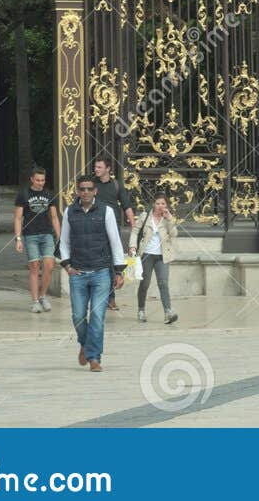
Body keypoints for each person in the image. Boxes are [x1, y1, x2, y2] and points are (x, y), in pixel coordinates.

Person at [59, 173, 127, 372]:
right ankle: (85, 344)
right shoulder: (70, 212)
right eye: (82, 189)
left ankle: (94, 358)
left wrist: (119, 271)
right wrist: (67, 266)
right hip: (78, 272)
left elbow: (115, 241)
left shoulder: (106, 211)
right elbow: (64, 242)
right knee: (78, 316)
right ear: (78, 191)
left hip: (101, 272)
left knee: (97, 316)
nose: (86, 192)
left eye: (90, 189)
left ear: (95, 191)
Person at [13, 166, 61, 314]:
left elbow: (54, 217)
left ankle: (43, 295)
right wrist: (18, 238)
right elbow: (17, 218)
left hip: (46, 234)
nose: (41, 183)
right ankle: (34, 301)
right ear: (32, 179)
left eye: (43, 180)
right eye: (38, 180)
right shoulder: (24, 195)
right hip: (30, 235)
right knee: (34, 266)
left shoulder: (49, 194)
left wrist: (60, 237)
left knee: (49, 265)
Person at [129, 192, 180, 324]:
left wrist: (169, 219)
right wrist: (132, 246)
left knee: (163, 283)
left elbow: (174, 233)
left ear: (166, 205)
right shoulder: (145, 216)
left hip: (162, 255)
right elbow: (135, 231)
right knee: (144, 284)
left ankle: (168, 312)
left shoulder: (167, 218)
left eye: (163, 203)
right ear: (153, 204)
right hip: (146, 254)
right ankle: (141, 310)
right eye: (158, 203)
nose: (160, 206)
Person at [92, 156, 134, 311]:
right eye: (95, 167)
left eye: (99, 167)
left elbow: (126, 205)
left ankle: (110, 298)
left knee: (111, 264)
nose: (96, 170)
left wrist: (133, 225)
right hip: (95, 228)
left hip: (112, 229)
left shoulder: (116, 185)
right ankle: (96, 296)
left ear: (108, 169)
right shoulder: (92, 185)